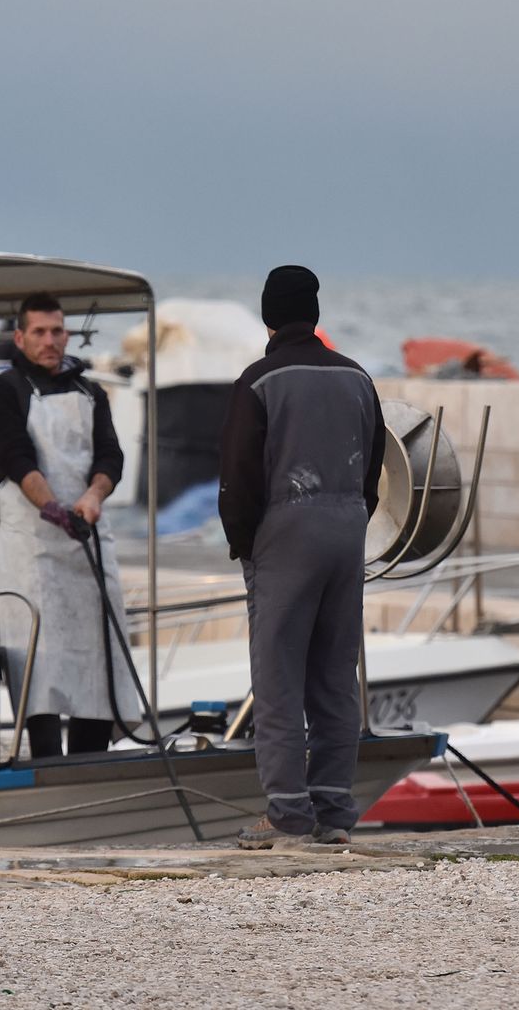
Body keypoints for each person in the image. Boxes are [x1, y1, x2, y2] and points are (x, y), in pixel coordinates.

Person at [219, 265, 386, 849]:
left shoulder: (260, 379)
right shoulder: (358, 377)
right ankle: (335, 811)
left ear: (268, 316)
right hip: (346, 530)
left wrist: (243, 540)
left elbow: (239, 474)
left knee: (279, 674)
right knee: (336, 675)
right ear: (314, 314)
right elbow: (375, 466)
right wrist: (353, 517)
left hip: (285, 531)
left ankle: (288, 811)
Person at [0, 293, 138, 758]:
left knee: (96, 663)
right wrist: (52, 508)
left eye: (57, 331)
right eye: (40, 332)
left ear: (67, 334)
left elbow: (111, 455)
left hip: (89, 547)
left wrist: (91, 497)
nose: (50, 341)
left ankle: (91, 762)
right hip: (34, 554)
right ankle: (46, 762)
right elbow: (13, 457)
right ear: (20, 337)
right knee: (38, 667)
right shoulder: (0, 393)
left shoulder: (92, 392)